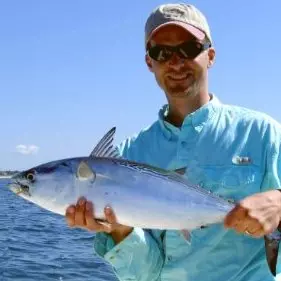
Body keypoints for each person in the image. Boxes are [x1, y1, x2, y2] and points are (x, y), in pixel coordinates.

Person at [65, 3, 281, 281]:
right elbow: (147, 273)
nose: (175, 62)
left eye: (189, 49)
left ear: (210, 56)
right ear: (149, 62)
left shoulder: (263, 133)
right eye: (161, 52)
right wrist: (118, 230)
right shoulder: (128, 154)